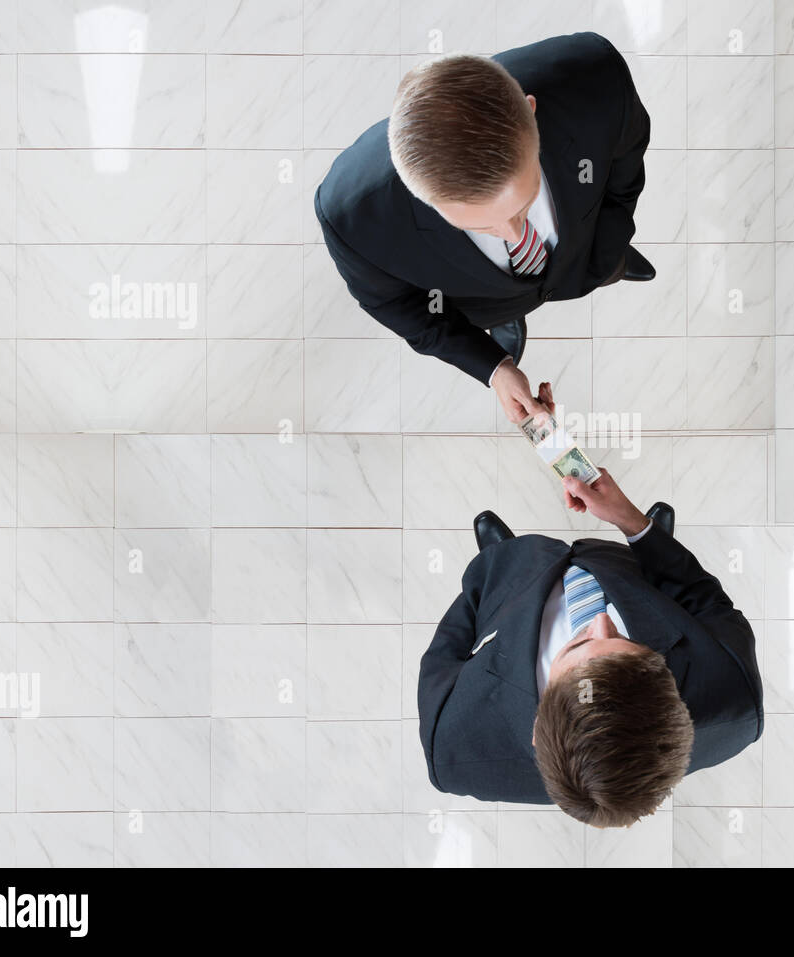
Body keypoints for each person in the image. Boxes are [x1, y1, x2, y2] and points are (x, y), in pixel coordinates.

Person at [314, 32, 654, 424]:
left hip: (586, 242)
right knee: (499, 302)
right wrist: (495, 367)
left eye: (523, 207)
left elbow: (624, 166)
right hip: (482, 298)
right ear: (416, 193)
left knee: (602, 262)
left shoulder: (596, 78)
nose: (514, 236)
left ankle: (609, 267)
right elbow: (396, 305)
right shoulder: (353, 217)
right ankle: (508, 316)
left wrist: (606, 250)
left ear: (530, 114)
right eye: (482, 227)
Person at [417, 469, 764, 827]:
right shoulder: (734, 697)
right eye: (626, 640)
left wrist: (489, 579)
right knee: (665, 583)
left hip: (510, 594)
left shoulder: (450, 747)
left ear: (537, 726)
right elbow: (704, 602)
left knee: (503, 566)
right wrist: (635, 525)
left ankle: (505, 555)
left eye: (579, 643)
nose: (600, 620)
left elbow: (446, 650)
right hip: (629, 576)